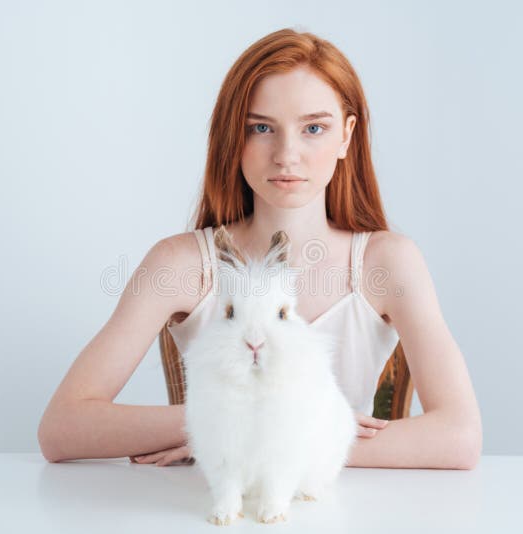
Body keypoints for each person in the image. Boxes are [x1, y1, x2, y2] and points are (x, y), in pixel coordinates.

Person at [38, 28, 482, 469]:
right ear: (234, 136)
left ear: (346, 136)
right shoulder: (180, 264)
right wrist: (223, 425)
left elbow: (459, 437)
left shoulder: (388, 262)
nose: (287, 154)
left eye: (313, 128)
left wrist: (246, 440)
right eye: (262, 128)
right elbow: (62, 427)